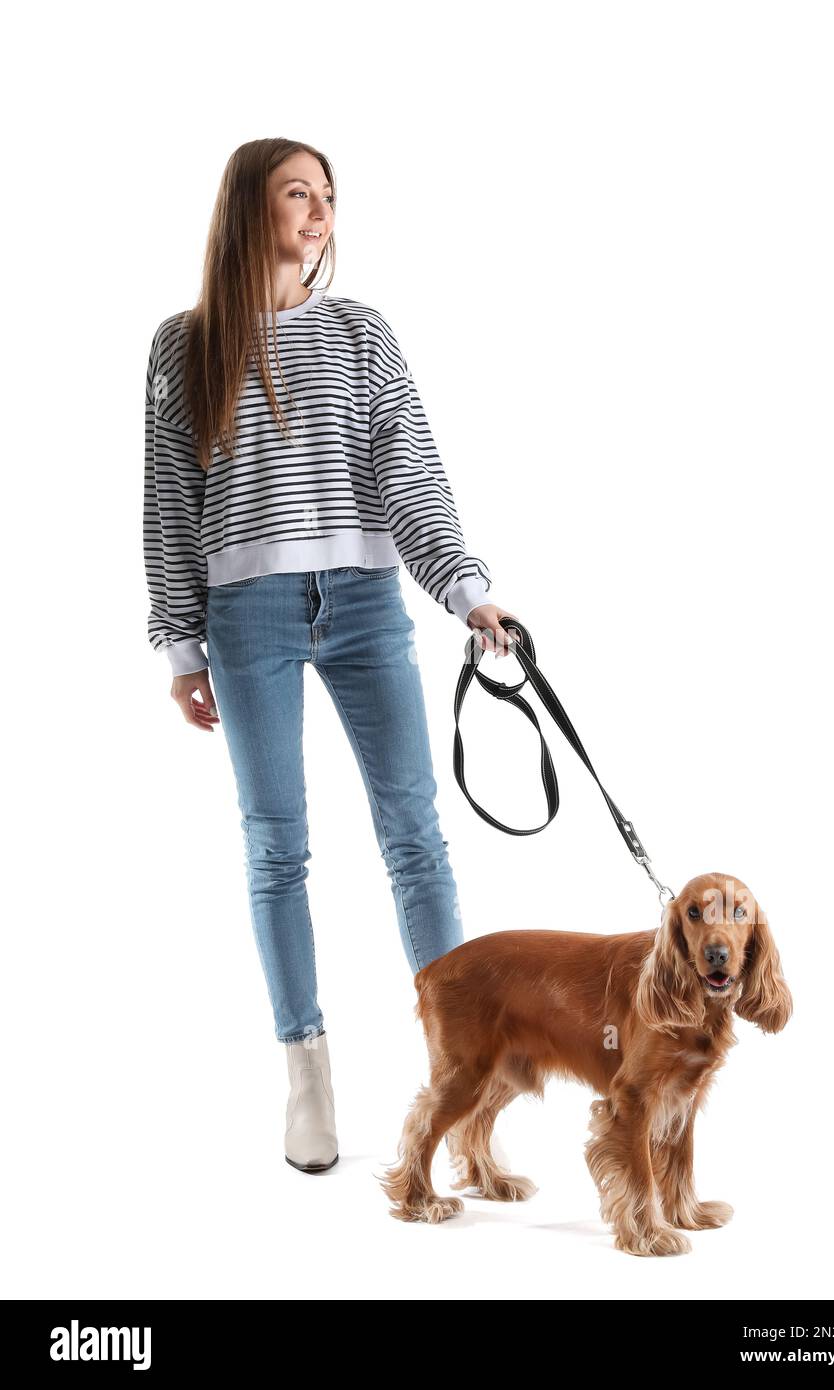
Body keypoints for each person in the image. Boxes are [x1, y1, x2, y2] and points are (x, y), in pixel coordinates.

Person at [143, 138, 519, 1173]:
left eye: (327, 195)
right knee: (276, 844)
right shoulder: (185, 346)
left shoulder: (360, 331)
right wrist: (181, 645)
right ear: (248, 210)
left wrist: (467, 592)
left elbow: (411, 470)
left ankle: (460, 1075)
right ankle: (306, 1075)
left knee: (413, 834)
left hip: (362, 597)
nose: (319, 211)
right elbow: (170, 508)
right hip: (245, 613)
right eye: (296, 193)